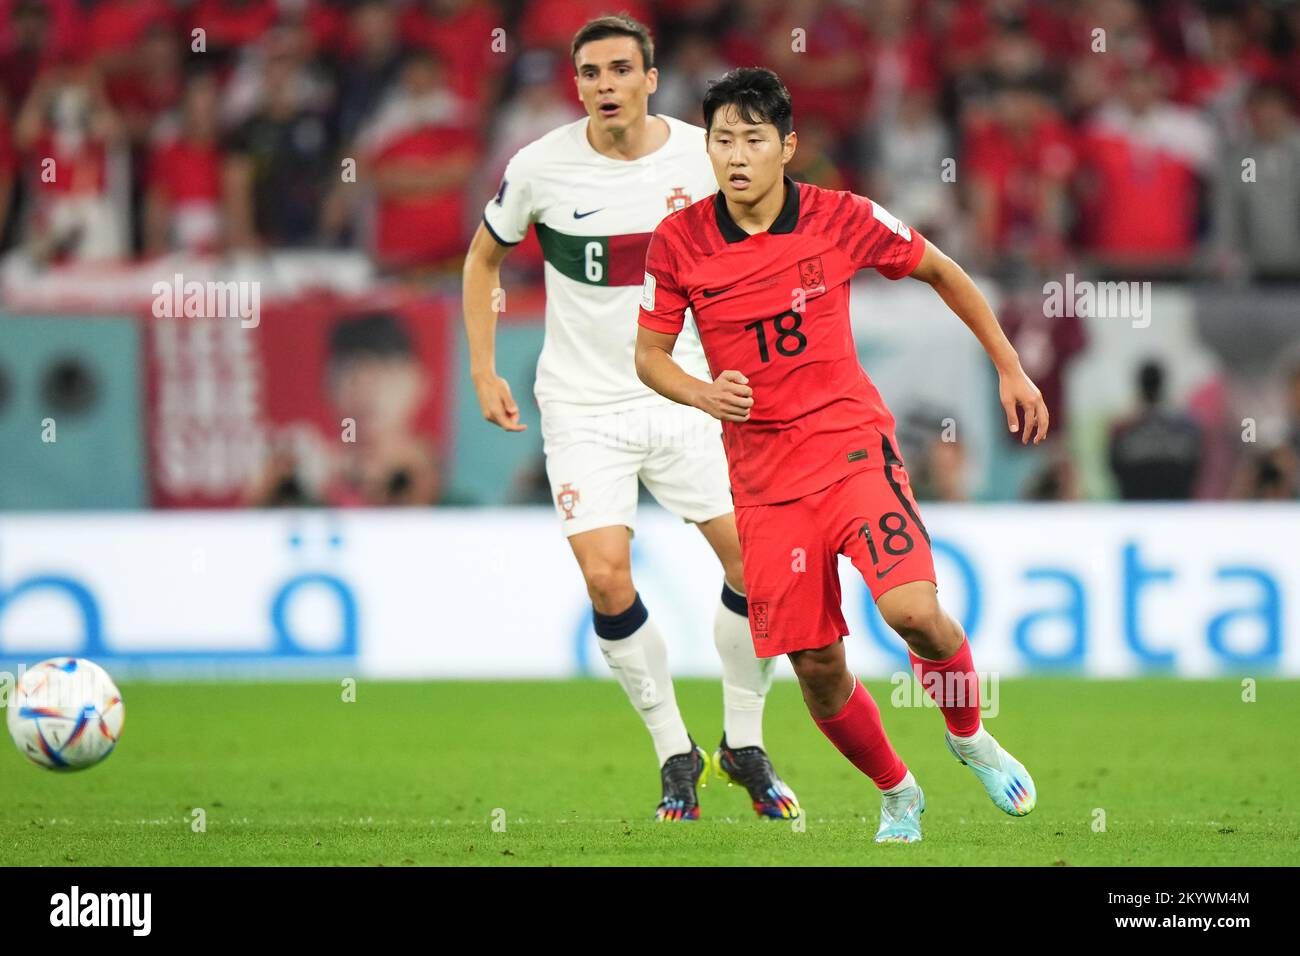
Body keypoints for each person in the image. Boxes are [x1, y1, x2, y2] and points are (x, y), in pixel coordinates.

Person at [636, 67, 1047, 844]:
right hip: (764, 484)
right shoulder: (678, 241)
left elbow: (941, 269)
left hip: (852, 451)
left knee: (914, 614)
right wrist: (701, 392)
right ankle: (898, 792)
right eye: (722, 140)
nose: (736, 155)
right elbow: (649, 357)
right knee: (818, 668)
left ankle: (969, 737)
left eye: (753, 139)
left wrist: (1010, 367)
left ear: (787, 146)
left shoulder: (841, 217)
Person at [461, 16, 798, 822]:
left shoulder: (701, 156)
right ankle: (674, 752)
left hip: (687, 394)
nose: (605, 85)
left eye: (620, 69)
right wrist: (482, 367)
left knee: (759, 570)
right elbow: (482, 259)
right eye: (590, 73)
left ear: (651, 79)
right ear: (576, 85)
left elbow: (764, 241)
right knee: (607, 576)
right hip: (584, 405)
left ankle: (743, 742)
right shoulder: (538, 166)